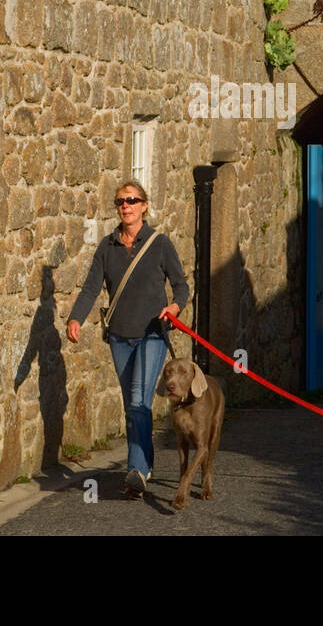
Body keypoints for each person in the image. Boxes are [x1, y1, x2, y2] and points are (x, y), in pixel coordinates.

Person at [66, 178, 190, 498]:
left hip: (152, 334)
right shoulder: (107, 247)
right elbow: (92, 287)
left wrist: (174, 307)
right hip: (120, 336)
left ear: (144, 206)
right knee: (132, 406)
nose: (126, 206)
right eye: (121, 202)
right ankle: (143, 466)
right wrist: (76, 318)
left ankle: (135, 468)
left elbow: (181, 286)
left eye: (132, 201)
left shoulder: (159, 243)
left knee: (139, 399)